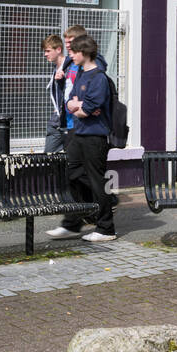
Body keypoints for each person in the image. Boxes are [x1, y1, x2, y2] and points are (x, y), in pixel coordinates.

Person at [46, 35, 117, 243]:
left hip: (95, 137)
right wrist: (79, 106)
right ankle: (73, 223)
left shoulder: (99, 77)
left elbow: (87, 109)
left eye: (74, 52)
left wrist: (81, 107)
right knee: (72, 175)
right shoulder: (82, 75)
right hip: (78, 134)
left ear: (84, 53)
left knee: (97, 181)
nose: (71, 56)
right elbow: (69, 102)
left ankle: (106, 228)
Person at [41, 33, 66, 154]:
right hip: (57, 121)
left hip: (68, 121)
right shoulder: (56, 69)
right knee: (49, 157)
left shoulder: (69, 67)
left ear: (59, 49)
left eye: (48, 51)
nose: (45, 54)